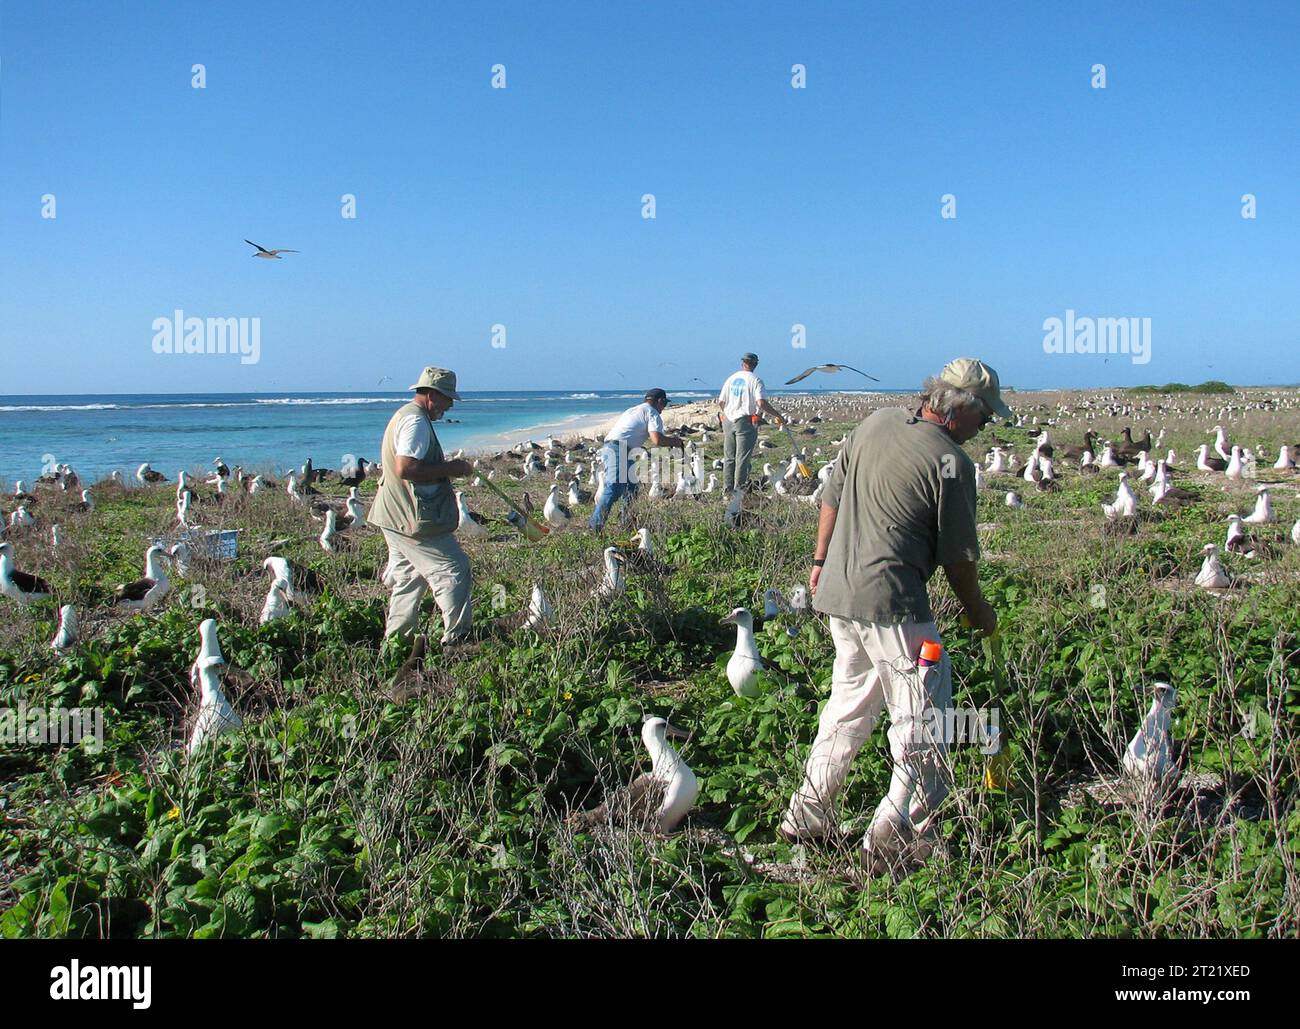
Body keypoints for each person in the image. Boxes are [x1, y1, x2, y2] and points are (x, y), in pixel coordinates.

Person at [779, 357, 1008, 871]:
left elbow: (830, 500)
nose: (986, 425)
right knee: (925, 718)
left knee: (847, 710)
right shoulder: (952, 461)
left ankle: (807, 815)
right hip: (894, 605)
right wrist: (980, 612)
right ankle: (898, 832)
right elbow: (958, 558)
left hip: (840, 596)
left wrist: (818, 564)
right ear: (962, 409)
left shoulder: (875, 421)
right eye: (985, 415)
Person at [368, 366, 476, 647]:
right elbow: (405, 468)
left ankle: (396, 644)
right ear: (431, 395)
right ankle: (457, 641)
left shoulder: (405, 414)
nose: (450, 405)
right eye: (447, 398)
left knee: (408, 579)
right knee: (454, 569)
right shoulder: (416, 422)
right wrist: (451, 468)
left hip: (391, 514)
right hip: (411, 519)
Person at [587, 388, 684, 529]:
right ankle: (594, 527)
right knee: (614, 488)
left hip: (615, 447)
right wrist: (676, 442)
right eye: (665, 404)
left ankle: (626, 523)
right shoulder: (652, 413)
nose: (664, 408)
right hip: (618, 449)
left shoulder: (633, 410)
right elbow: (657, 440)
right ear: (660, 401)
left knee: (632, 488)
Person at [718, 352, 787, 493]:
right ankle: (738, 491)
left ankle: (727, 491)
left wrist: (728, 413)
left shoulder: (731, 378)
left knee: (729, 457)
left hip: (728, 421)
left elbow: (721, 402)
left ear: (742, 363)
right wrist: (778, 415)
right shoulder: (755, 380)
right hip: (745, 421)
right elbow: (761, 402)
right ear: (755, 364)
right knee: (742, 458)